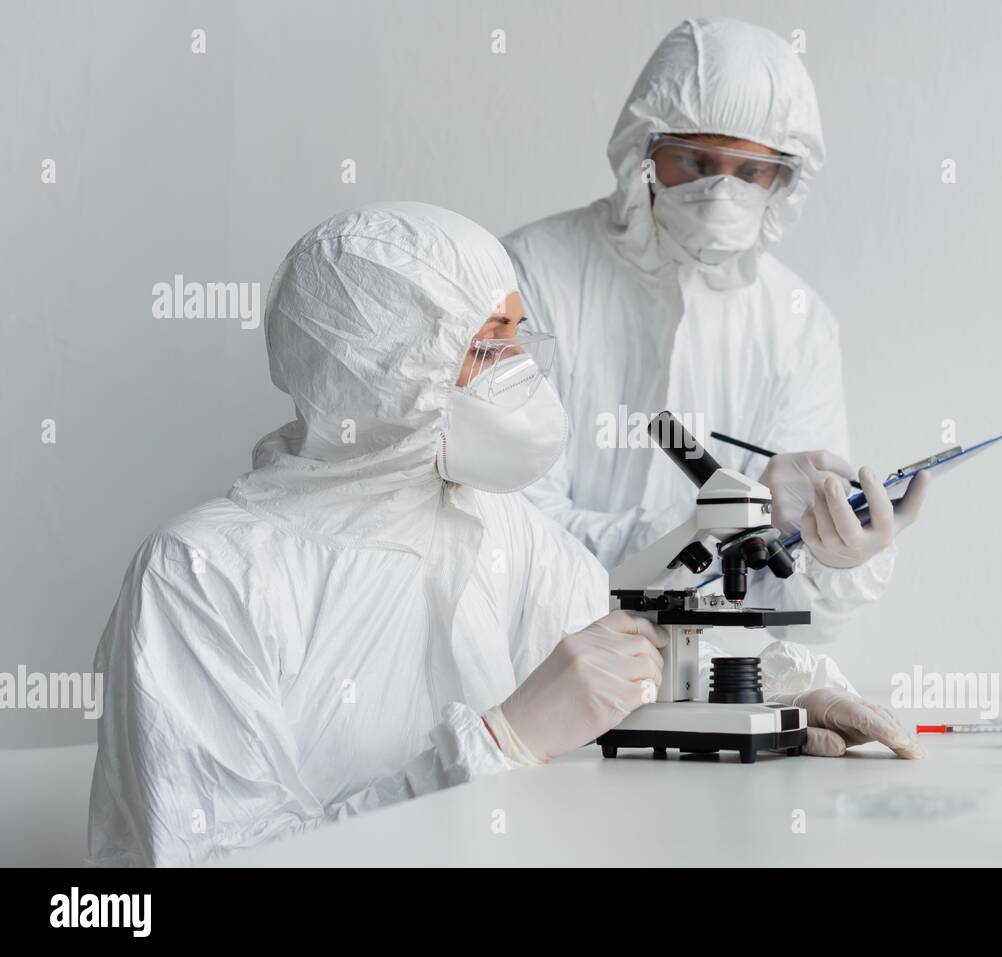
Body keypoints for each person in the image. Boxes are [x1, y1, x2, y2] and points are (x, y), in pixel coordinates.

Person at [88, 203, 672, 866]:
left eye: (518, 338)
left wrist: (796, 694)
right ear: (384, 373)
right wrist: (497, 745)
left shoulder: (496, 519)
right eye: (486, 347)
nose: (521, 373)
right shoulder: (201, 575)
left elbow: (639, 660)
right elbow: (221, 858)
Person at [502, 18, 928, 755]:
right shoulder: (532, 276)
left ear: (785, 178)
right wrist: (707, 530)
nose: (720, 191)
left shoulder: (797, 324)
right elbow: (509, 543)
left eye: (751, 170)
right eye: (694, 160)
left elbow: (786, 604)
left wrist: (829, 557)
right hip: (525, 708)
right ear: (643, 152)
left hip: (698, 710)